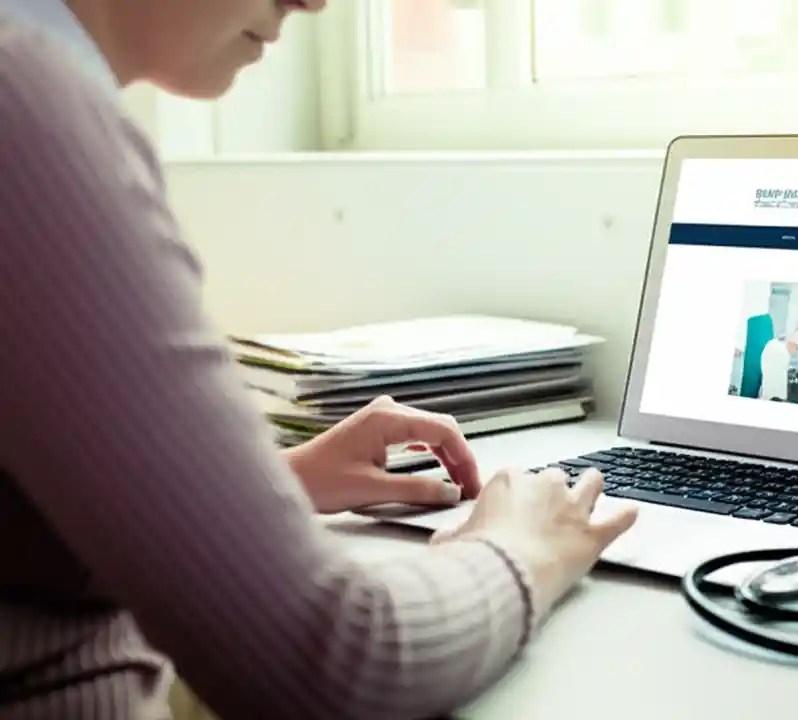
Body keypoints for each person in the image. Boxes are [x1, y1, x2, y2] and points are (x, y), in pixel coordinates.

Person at [0, 1, 638, 718]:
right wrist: (525, 547)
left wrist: (256, 491)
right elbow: (332, 659)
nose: (313, 2)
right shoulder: (25, 107)